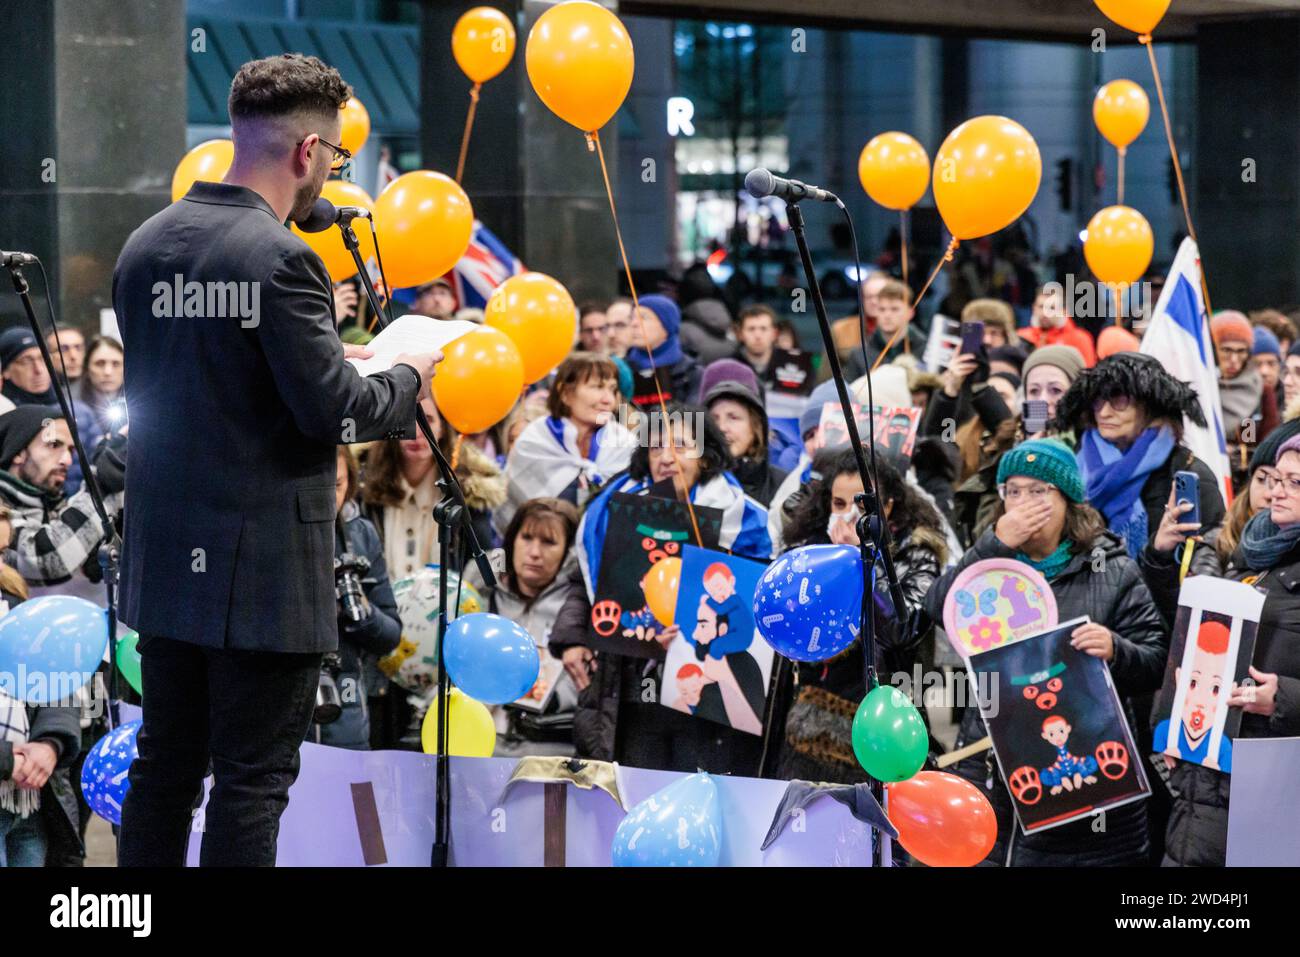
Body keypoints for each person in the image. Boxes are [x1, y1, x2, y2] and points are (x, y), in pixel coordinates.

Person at [113, 53, 437, 868]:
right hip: (259, 577)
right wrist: (408, 376)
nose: (332, 171)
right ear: (307, 153)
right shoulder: (284, 260)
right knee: (253, 782)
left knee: (165, 766)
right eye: (335, 155)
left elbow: (212, 387)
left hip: (167, 564)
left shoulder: (146, 246)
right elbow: (332, 408)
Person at [925, 438, 1168, 865]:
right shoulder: (991, 564)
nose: (1023, 503)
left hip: (1086, 786)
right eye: (1013, 491)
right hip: (994, 771)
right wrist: (991, 546)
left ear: (1068, 499)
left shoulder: (1111, 568)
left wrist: (1116, 649)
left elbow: (1155, 662)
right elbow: (936, 609)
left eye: (1039, 491)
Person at [548, 404, 771, 774]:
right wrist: (571, 638)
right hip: (629, 689)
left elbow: (753, 611)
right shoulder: (612, 512)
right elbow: (580, 581)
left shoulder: (744, 522)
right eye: (655, 448)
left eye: (681, 445)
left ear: (706, 455)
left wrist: (692, 634)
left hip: (706, 699)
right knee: (632, 795)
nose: (666, 458)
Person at [1141, 433, 1300, 866]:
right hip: (1206, 779)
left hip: (1273, 790)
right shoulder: (1252, 556)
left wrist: (1281, 697)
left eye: (1295, 482)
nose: (1276, 490)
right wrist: (1173, 721)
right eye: (1273, 479)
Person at [766, 448, 946, 783]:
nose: (848, 515)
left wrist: (860, 563)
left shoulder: (917, 552)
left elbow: (900, 631)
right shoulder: (811, 552)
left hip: (888, 721)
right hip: (814, 722)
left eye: (861, 504)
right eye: (838, 504)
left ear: (887, 506)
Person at [1054, 352, 1226, 561]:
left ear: (1150, 407)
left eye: (1119, 400)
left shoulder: (1188, 473)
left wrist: (1159, 553)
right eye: (1098, 401)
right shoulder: (1071, 464)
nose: (1104, 412)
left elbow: (1208, 559)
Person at [465, 498, 583, 756]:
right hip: (480, 741)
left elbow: (591, 682)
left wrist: (554, 699)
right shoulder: (480, 589)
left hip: (550, 747)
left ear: (568, 552)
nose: (534, 552)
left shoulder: (579, 604)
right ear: (511, 540)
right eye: (526, 537)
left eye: (549, 542)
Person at [0, 510, 83, 867]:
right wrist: (7, 758)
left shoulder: (16, 605)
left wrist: (50, 744)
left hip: (29, 802)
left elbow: (55, 681)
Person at [307, 447, 402, 750]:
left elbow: (390, 635)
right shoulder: (267, 534)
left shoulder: (362, 534)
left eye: (337, 485)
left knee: (351, 795)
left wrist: (358, 609)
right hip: (281, 705)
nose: (328, 497)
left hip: (347, 705)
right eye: (319, 486)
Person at [361, 394, 504, 581]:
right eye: (406, 420)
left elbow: (493, 560)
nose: (416, 432)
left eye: (427, 420)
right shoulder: (364, 490)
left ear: (443, 428)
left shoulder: (467, 492)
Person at [499, 352, 636, 534]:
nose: (608, 399)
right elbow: (515, 517)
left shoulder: (625, 443)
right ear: (566, 393)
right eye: (597, 387)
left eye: (612, 390)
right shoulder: (535, 440)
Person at [0, 406, 124, 594]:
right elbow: (46, 559)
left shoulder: (52, 505)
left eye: (71, 450)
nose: (67, 460)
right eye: (53, 445)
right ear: (18, 451)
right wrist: (103, 484)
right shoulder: (3, 507)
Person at [699, 358, 788, 505]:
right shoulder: (687, 481)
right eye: (713, 419)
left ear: (755, 427)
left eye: (733, 417)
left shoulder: (783, 487)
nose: (722, 427)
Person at [1211, 312, 1267, 477]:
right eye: (1226, 350)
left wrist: (1240, 449)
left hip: (1242, 473)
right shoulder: (1201, 385)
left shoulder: (1258, 388)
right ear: (1213, 350)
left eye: (1241, 351)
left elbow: (1259, 437)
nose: (1234, 359)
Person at [624, 294, 702, 409]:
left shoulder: (691, 372)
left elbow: (696, 420)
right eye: (632, 318)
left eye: (643, 318)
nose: (634, 324)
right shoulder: (621, 369)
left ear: (667, 325)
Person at [844, 279, 928, 377]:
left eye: (894, 309)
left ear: (910, 313)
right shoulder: (860, 355)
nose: (887, 315)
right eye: (882, 309)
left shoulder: (926, 352)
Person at [1020, 284, 1097, 367]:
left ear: (1064, 311)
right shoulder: (1023, 337)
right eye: (1041, 307)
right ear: (1034, 308)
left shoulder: (1079, 339)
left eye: (1052, 308)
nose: (1045, 313)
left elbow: (1088, 371)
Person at [75, 335, 126, 442]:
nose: (108, 372)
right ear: (87, 368)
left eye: (116, 364)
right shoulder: (71, 402)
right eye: (99, 364)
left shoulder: (139, 403)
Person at [831, 271, 887, 364]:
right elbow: (827, 374)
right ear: (861, 298)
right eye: (868, 297)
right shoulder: (840, 329)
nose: (874, 301)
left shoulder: (902, 332)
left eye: (879, 296)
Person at [0, 329, 55, 409]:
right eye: (26, 361)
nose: (38, 370)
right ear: (5, 371)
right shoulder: (5, 412)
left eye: (43, 358)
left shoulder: (69, 403)